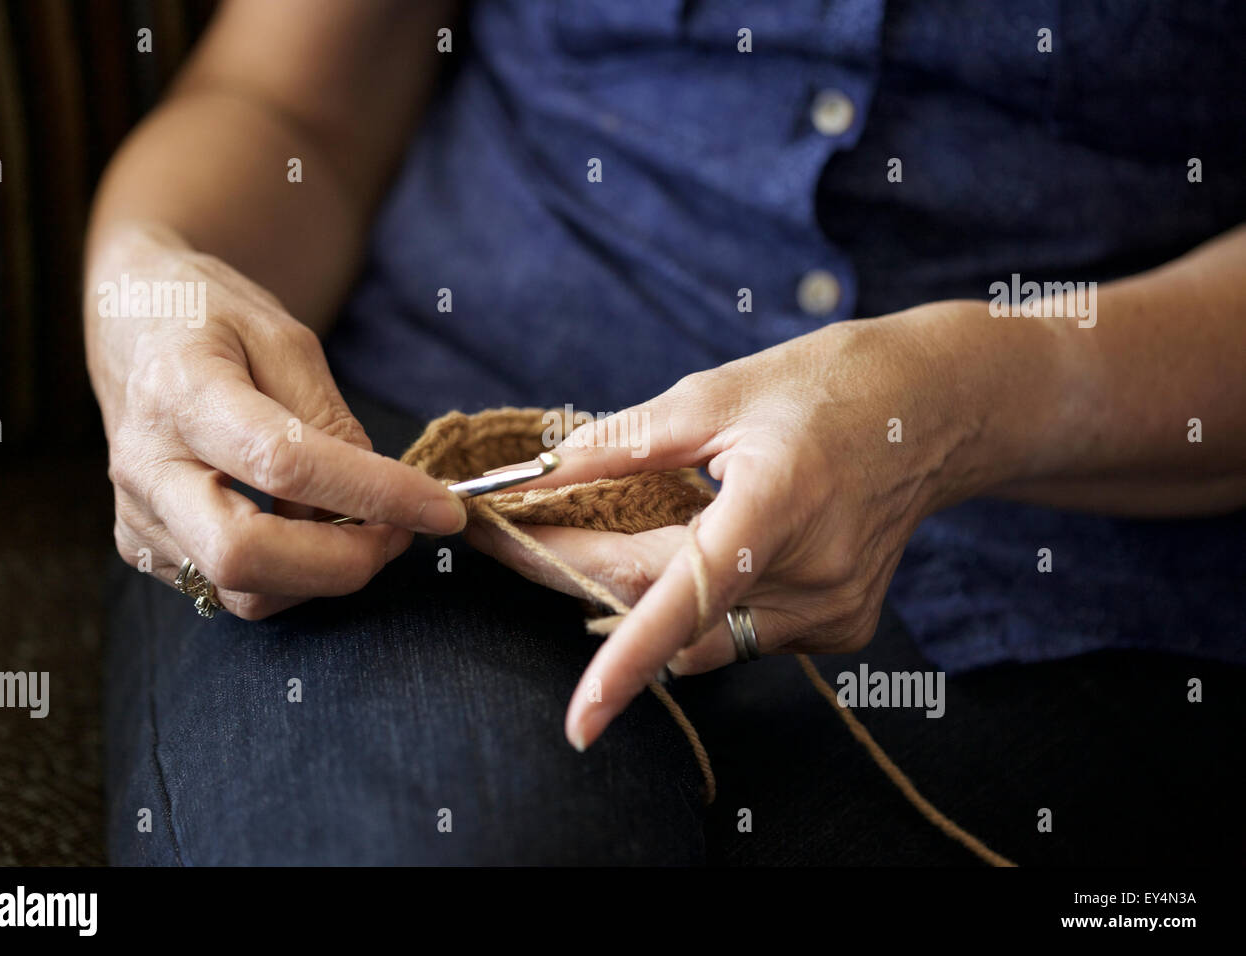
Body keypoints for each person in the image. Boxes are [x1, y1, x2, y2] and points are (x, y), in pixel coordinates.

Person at [87, 0, 1246, 865]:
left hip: (1059, 568)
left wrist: (970, 396)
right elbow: (288, 105)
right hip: (404, 477)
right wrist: (144, 281)